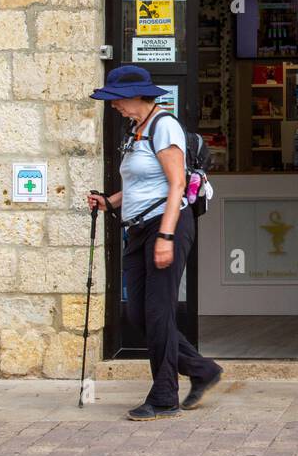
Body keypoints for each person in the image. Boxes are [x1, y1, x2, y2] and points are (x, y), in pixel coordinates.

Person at [86, 65, 222, 420]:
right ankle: (200, 369)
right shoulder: (137, 129)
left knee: (159, 312)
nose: (113, 106)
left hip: (166, 227)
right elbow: (140, 184)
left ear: (136, 97)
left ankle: (164, 395)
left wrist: (165, 234)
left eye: (116, 100)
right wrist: (110, 202)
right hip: (139, 227)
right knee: (138, 313)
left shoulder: (164, 127)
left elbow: (176, 184)